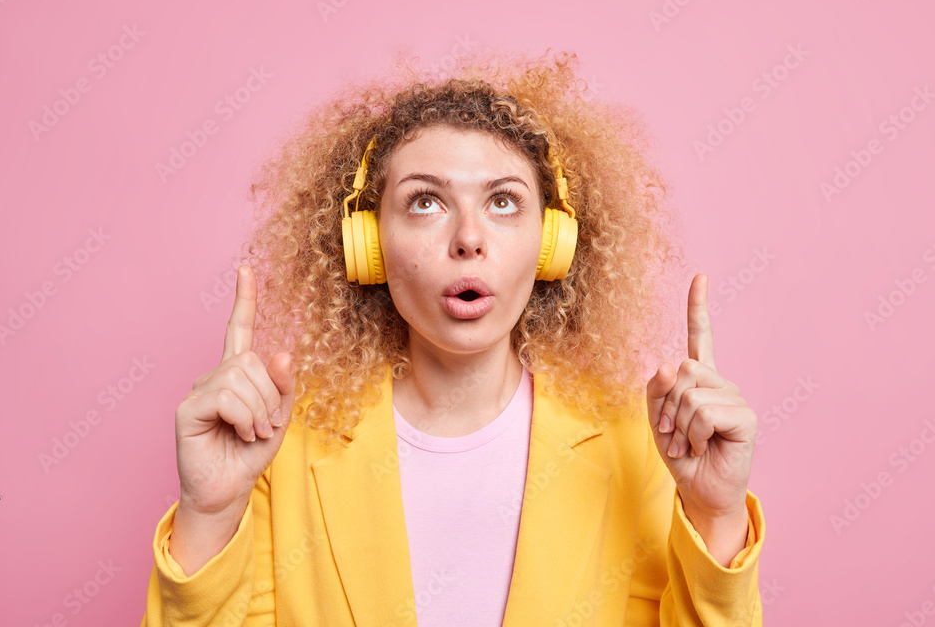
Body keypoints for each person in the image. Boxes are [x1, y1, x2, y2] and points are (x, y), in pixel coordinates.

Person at [139, 50, 766, 626]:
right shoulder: (279, 449)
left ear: (554, 244)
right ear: (367, 245)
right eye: (424, 203)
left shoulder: (643, 448)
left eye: (503, 202)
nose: (469, 237)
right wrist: (210, 515)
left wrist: (715, 516)